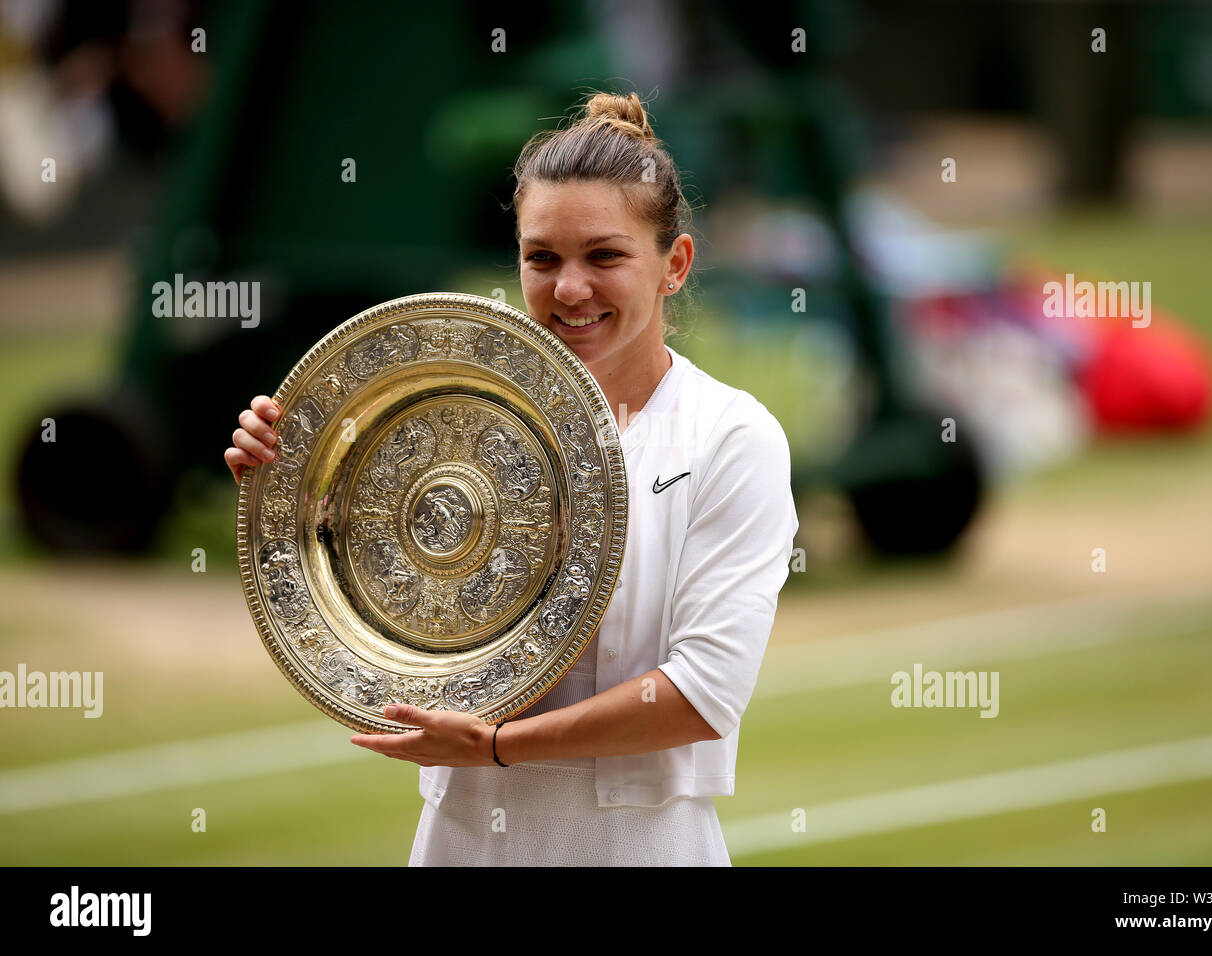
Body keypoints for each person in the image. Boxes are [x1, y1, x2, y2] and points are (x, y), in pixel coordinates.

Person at [224, 90, 799, 866]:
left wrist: (499, 746)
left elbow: (703, 694)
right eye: (542, 258)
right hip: (463, 839)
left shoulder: (733, 438)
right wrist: (285, 476)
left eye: (605, 256)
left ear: (676, 264)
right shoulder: (442, 400)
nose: (569, 289)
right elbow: (354, 589)